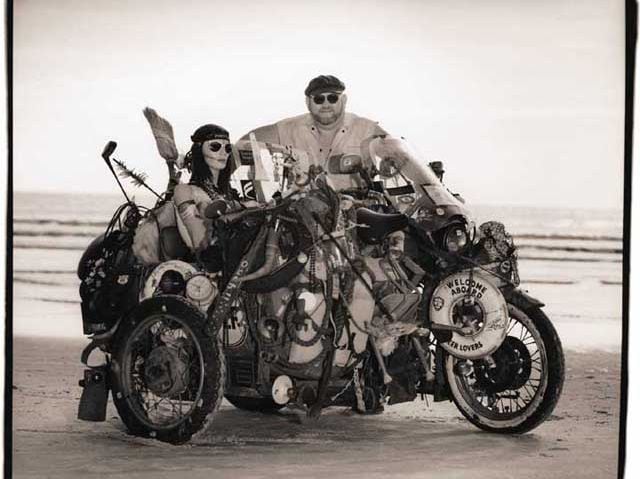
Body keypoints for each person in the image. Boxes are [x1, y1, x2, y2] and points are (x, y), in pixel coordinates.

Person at [242, 74, 388, 190]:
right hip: (301, 213)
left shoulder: (366, 129)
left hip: (356, 211)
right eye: (319, 99)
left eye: (332, 98)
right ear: (308, 102)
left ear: (343, 100)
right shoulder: (289, 128)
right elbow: (246, 142)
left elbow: (397, 155)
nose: (326, 104)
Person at [173, 123, 238, 254]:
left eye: (228, 148)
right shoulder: (185, 191)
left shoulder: (227, 194)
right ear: (199, 150)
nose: (223, 153)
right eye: (215, 146)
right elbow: (201, 242)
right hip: (213, 260)